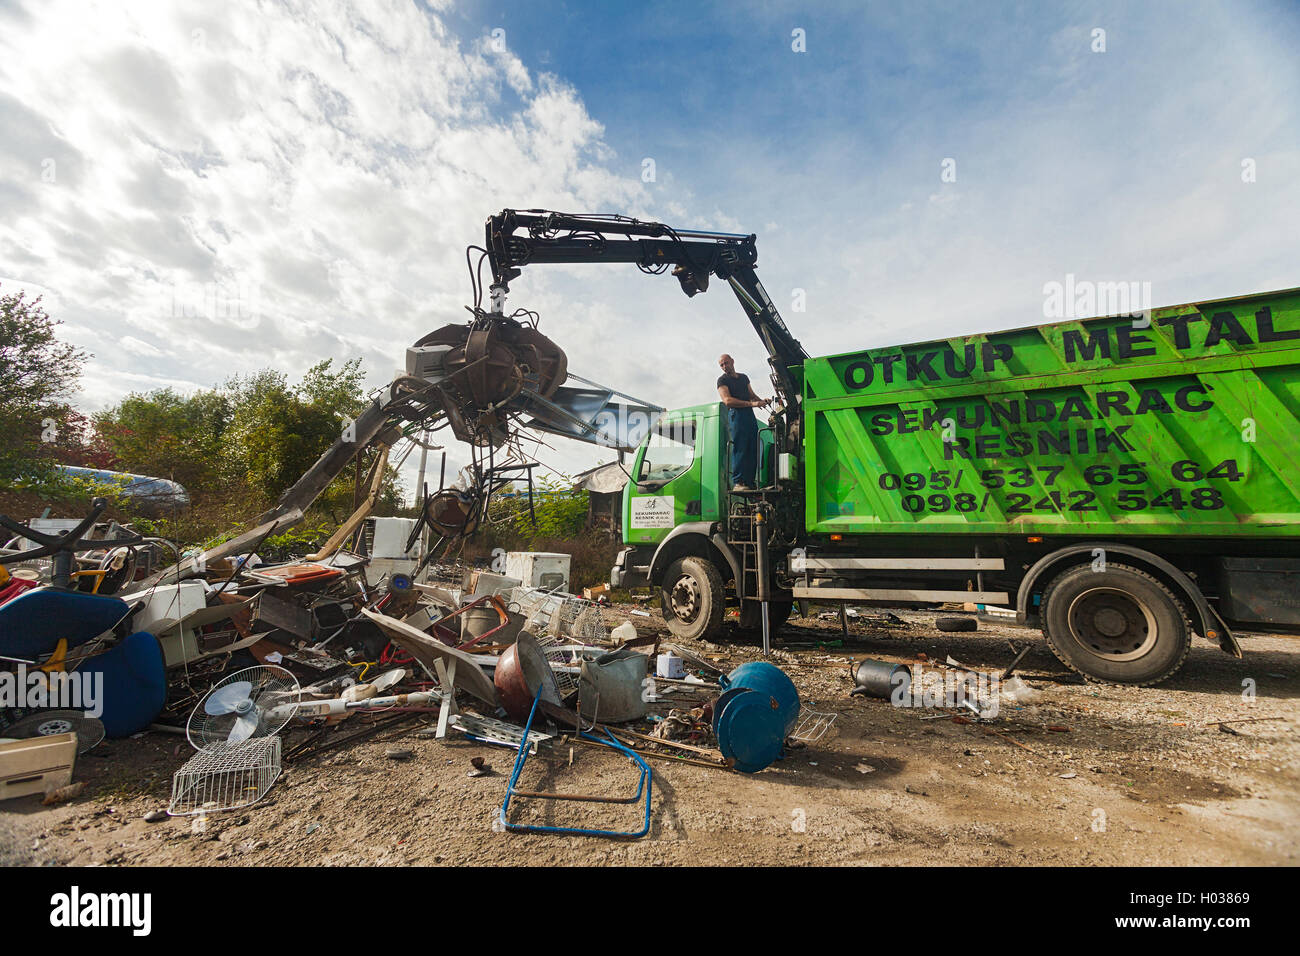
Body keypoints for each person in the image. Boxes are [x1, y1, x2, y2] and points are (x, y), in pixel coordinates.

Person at [716, 353, 771, 490]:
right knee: (741, 446)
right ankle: (739, 482)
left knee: (753, 446)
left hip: (749, 414)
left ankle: (750, 482)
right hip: (737, 415)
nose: (724, 367)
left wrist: (762, 402)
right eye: (721, 365)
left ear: (732, 361)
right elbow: (728, 401)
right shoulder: (722, 380)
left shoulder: (744, 378)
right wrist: (753, 404)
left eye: (726, 363)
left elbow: (752, 396)